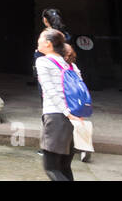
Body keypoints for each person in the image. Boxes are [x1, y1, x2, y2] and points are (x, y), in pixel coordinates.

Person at [35, 28, 87, 181]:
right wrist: (76, 114)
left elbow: (50, 90)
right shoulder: (70, 65)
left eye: (40, 38)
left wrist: (65, 111)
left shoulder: (43, 61)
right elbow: (81, 90)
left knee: (51, 168)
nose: (38, 41)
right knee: (64, 168)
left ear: (48, 44)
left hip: (57, 117)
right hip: (73, 119)